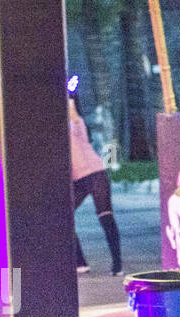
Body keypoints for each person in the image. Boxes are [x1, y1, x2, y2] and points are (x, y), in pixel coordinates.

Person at [68, 92, 123, 276]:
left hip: (95, 173)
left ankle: (117, 264)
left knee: (105, 217)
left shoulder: (76, 124)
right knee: (64, 217)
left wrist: (70, 101)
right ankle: (80, 262)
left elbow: (74, 114)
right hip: (78, 179)